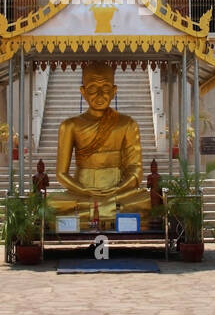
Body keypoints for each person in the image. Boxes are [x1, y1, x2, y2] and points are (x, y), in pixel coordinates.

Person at [48, 63, 151, 226]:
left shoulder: (127, 124)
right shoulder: (70, 126)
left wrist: (118, 189)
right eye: (92, 88)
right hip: (82, 191)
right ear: (83, 92)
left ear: (114, 91)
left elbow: (136, 169)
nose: (100, 94)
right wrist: (83, 190)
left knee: (146, 199)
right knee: (52, 202)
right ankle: (107, 211)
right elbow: (61, 174)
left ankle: (94, 211)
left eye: (106, 88)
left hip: (117, 190)